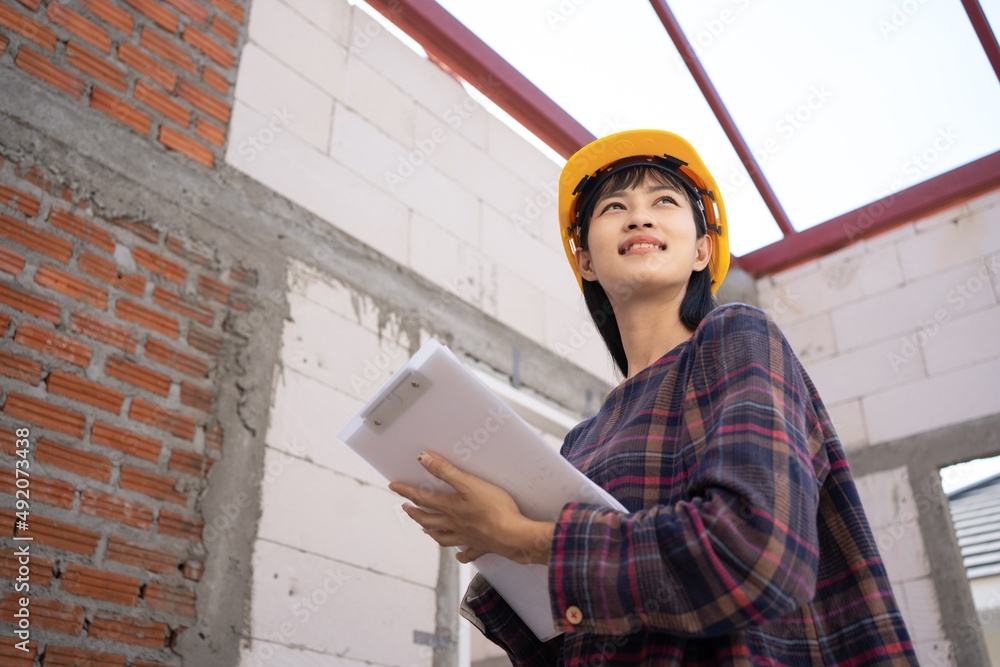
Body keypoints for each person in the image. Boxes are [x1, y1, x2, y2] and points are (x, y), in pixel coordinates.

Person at [389, 130, 917, 665]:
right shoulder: (584, 439)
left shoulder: (735, 336)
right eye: (614, 207)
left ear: (702, 250)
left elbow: (755, 551)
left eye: (663, 202)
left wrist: (526, 538)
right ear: (587, 262)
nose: (639, 217)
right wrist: (492, 534)